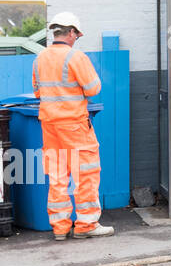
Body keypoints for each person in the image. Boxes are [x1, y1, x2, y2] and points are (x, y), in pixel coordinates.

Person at [32, 12, 112, 239]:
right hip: (74, 125)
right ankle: (86, 225)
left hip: (49, 126)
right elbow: (93, 88)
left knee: (57, 176)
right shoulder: (76, 58)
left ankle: (60, 228)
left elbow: (38, 91)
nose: (77, 38)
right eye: (77, 34)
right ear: (70, 32)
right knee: (86, 173)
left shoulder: (39, 59)